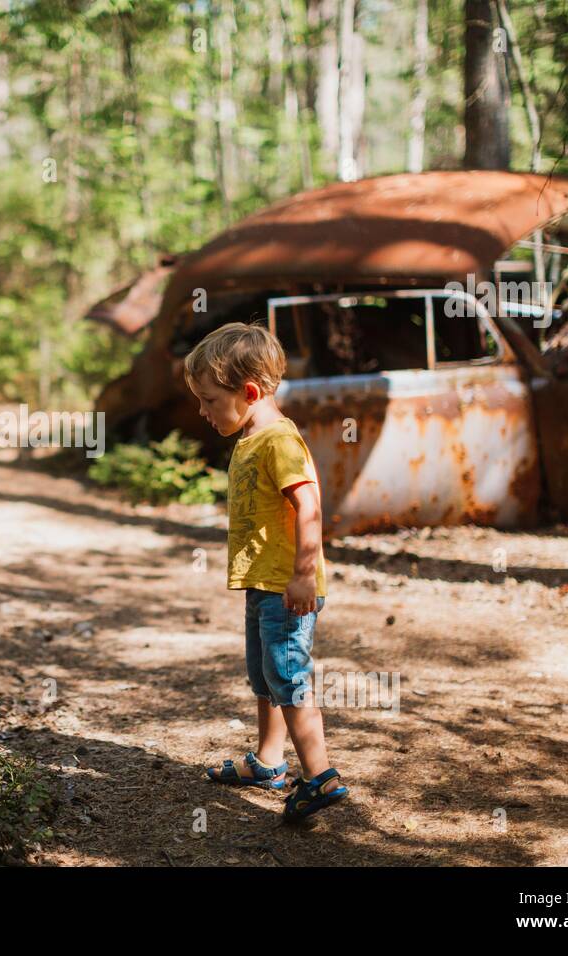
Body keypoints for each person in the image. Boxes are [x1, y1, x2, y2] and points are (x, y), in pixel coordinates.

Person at [185, 322, 349, 823]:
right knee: (264, 676)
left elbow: (310, 505)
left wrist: (303, 574)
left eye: (210, 400)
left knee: (288, 676)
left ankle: (320, 777)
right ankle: (269, 761)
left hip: (285, 587)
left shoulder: (279, 441)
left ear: (249, 392)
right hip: (264, 583)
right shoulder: (253, 438)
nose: (203, 411)